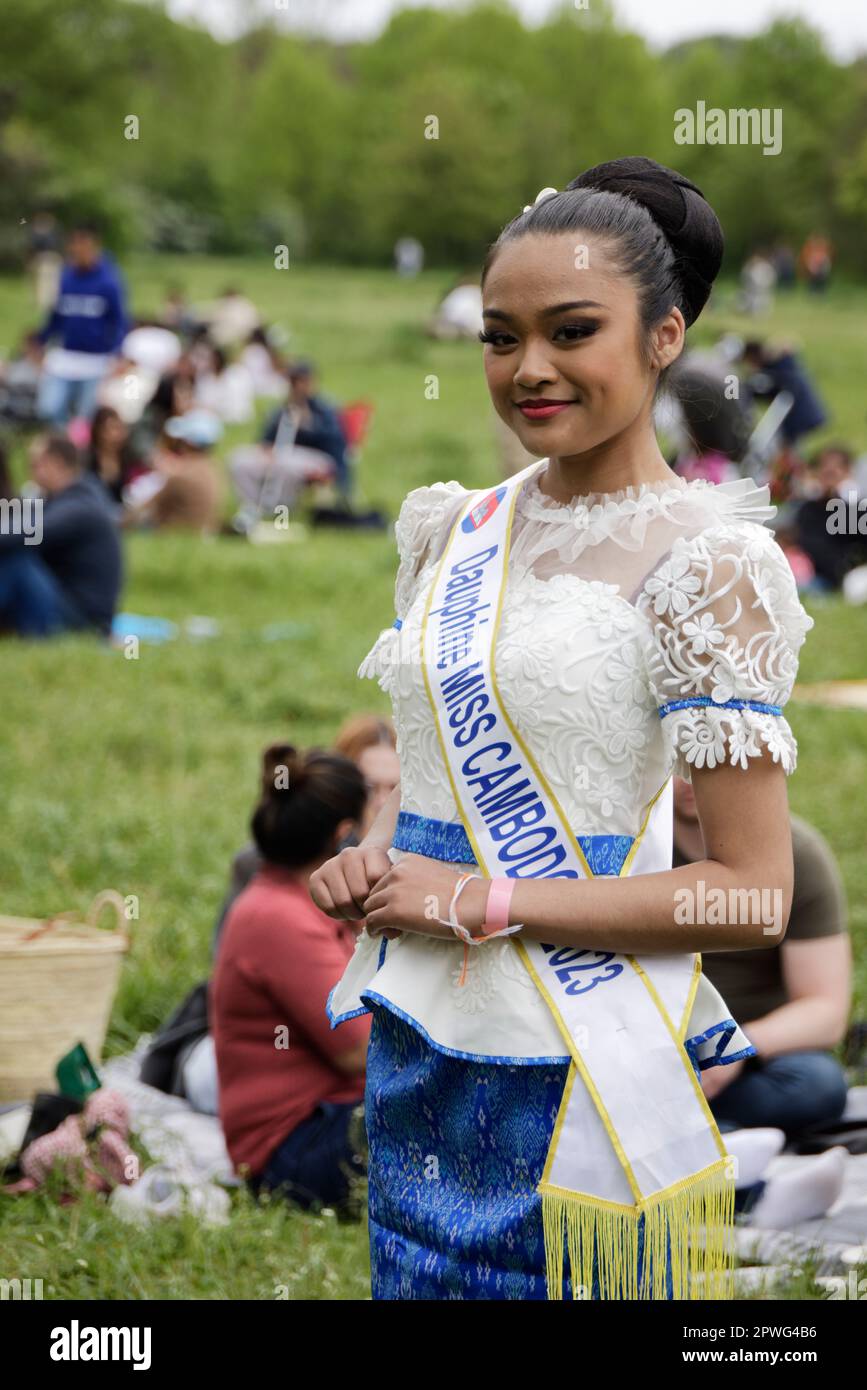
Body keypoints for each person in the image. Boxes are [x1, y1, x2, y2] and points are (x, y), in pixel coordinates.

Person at [311, 157, 814, 1302]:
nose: (529, 368)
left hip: (574, 1062)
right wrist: (378, 857)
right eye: (500, 336)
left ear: (665, 335)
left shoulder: (711, 562)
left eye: (572, 330)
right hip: (420, 1041)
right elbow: (436, 774)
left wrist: (487, 899)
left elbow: (749, 894)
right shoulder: (451, 531)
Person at [211, 744, 371, 1213]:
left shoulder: (292, 900)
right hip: (291, 1152)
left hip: (326, 1120)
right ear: (345, 836)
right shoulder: (280, 919)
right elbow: (355, 1049)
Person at [671, 777, 851, 1137]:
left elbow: (825, 1010)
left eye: (707, 754)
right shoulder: (632, 857)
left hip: (749, 1059)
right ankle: (722, 1141)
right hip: (653, 1047)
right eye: (676, 759)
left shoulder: (796, 854)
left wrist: (733, 1050)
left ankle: (704, 1138)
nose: (691, 775)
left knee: (818, 1084)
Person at [211, 713, 398, 955]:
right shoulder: (263, 861)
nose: (382, 802)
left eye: (394, 789)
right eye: (370, 787)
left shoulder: (404, 861)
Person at [0, 433, 122, 637]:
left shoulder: (79, 506)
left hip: (81, 621)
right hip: (67, 604)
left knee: (16, 562)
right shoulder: (66, 499)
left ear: (55, 464)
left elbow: (24, 533)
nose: (31, 473)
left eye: (35, 464)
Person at [34, 222, 129, 425]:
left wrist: (119, 352)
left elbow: (119, 320)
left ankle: (79, 448)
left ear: (93, 245)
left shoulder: (109, 281)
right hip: (67, 355)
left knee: (86, 418)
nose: (78, 250)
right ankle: (61, 444)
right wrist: (40, 342)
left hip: (96, 359)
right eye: (74, 245)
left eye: (83, 245)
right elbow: (56, 317)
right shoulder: (66, 278)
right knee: (49, 408)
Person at [230, 360, 350, 518]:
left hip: (320, 459)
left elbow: (335, 442)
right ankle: (252, 507)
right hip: (281, 455)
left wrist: (307, 425)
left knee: (283, 464)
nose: (298, 386)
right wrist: (266, 448)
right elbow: (265, 439)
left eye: (302, 381)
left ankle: (281, 512)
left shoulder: (326, 409)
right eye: (294, 382)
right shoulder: (281, 409)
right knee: (239, 461)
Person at [124, 410, 225, 534]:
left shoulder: (182, 476)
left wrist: (119, 523)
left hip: (174, 532)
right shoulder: (214, 470)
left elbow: (145, 508)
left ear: (188, 443)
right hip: (200, 532)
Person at [794, 444, 867, 589]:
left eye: (833, 474)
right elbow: (814, 546)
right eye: (825, 473)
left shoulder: (857, 505)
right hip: (822, 577)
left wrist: (846, 498)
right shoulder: (809, 509)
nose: (829, 481)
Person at [86, 406, 149, 505]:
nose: (118, 434)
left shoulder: (131, 459)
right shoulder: (88, 460)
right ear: (99, 432)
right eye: (112, 429)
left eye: (120, 428)